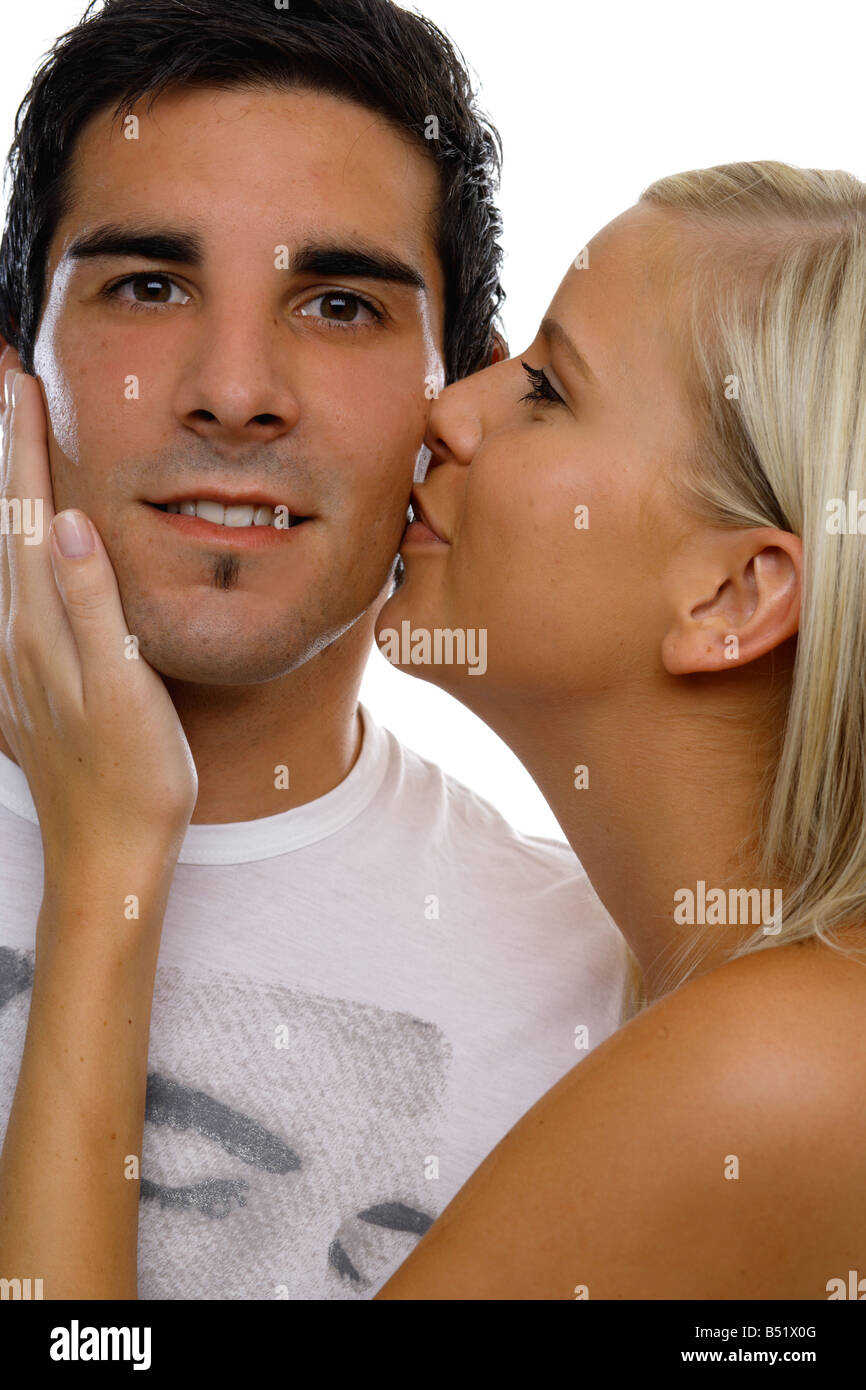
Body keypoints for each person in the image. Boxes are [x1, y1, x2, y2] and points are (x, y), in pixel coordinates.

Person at [6, 154, 866, 1302]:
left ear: (730, 599)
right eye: (151, 285)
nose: (448, 410)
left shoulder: (767, 1072)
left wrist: (106, 856)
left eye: (547, 390)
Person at [0, 0, 633, 1302]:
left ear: (455, 405)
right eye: (150, 285)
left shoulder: (620, 1003)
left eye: (338, 304)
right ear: (16, 370)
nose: (235, 389)